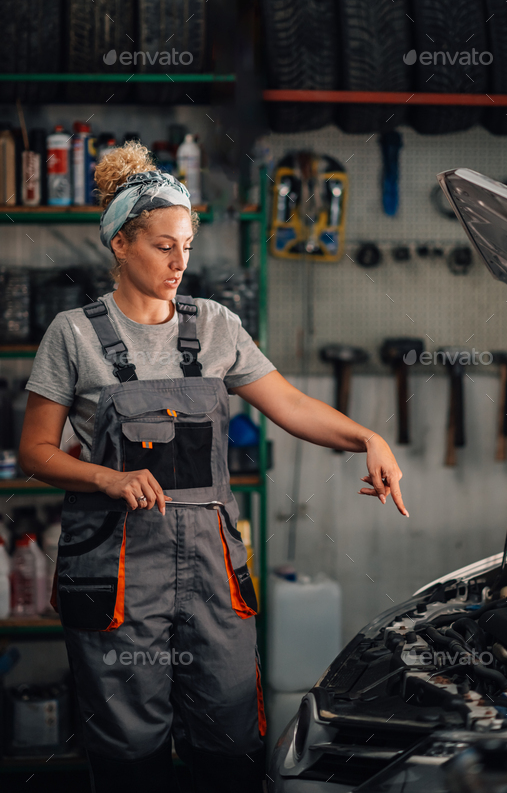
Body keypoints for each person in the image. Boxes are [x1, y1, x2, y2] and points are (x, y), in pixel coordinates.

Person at [18, 141, 407, 793]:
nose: (180, 262)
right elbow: (35, 451)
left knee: (230, 738)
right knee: (128, 747)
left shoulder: (217, 326)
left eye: (188, 244)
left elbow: (289, 404)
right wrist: (108, 477)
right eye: (163, 245)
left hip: (212, 569)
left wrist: (366, 435)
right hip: (117, 569)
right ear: (120, 242)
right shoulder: (73, 334)